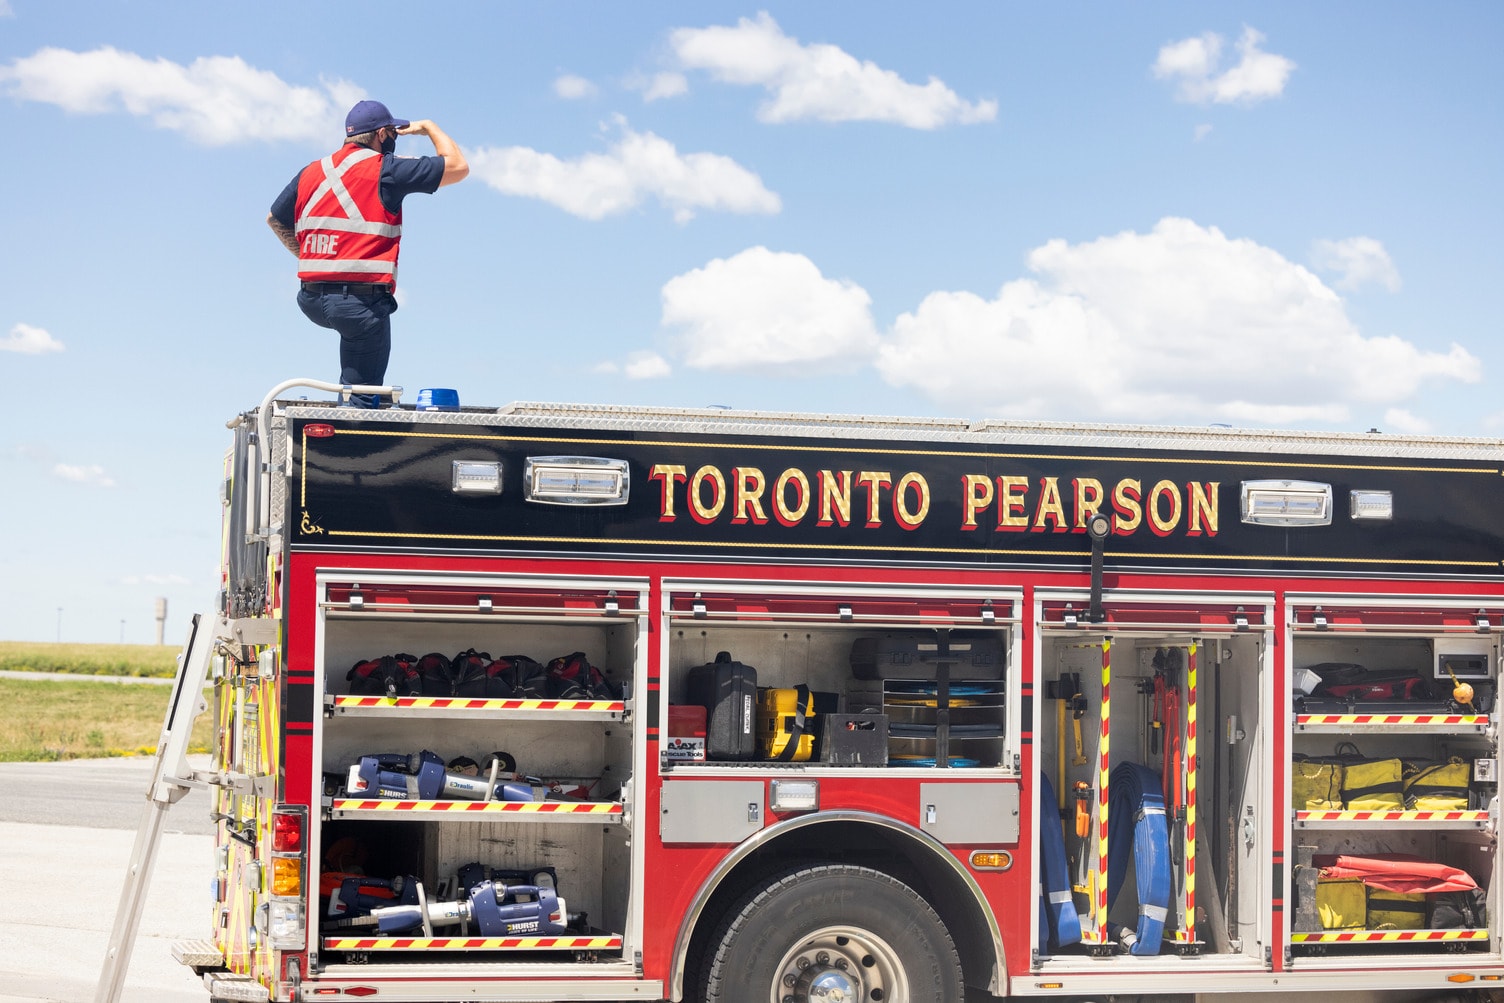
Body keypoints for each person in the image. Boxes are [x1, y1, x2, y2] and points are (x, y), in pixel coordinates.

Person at [267, 100, 468, 404]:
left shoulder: (311, 171)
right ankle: (350, 436)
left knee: (355, 374)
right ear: (383, 135)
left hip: (310, 298)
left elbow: (275, 219)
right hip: (359, 305)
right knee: (363, 398)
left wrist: (320, 261)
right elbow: (458, 167)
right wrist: (429, 128)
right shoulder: (386, 170)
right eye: (393, 134)